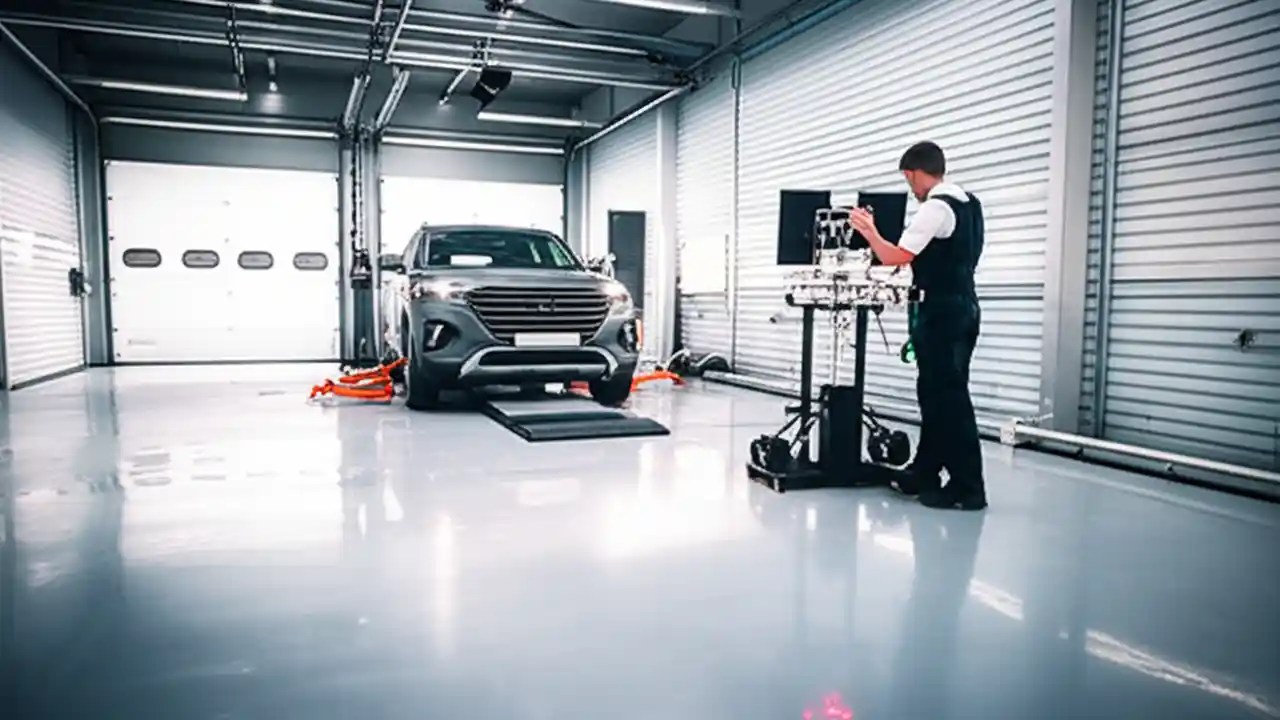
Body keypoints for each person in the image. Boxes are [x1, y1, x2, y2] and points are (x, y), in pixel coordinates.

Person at [848, 141, 987, 510]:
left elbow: (896, 256)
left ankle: (968, 488)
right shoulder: (970, 204)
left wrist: (869, 231)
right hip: (965, 308)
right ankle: (926, 470)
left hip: (941, 314)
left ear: (913, 173)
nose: (910, 189)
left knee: (949, 401)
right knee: (936, 394)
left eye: (908, 180)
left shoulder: (935, 208)